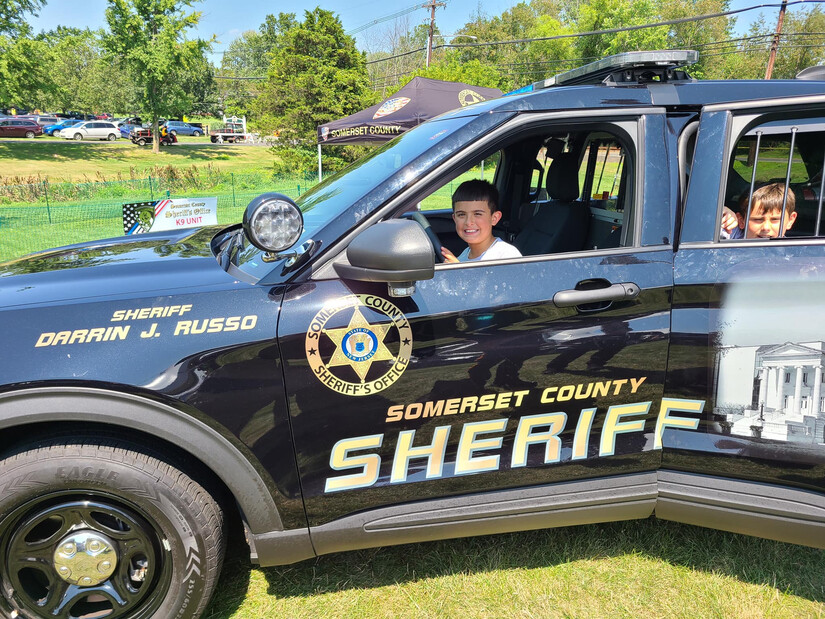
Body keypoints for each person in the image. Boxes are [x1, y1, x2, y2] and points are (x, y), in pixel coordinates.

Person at [440, 179, 522, 263]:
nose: (468, 222)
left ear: (494, 218)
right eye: (461, 215)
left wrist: (459, 269)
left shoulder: (507, 255)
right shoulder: (464, 255)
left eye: (477, 214)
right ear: (454, 219)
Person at [721, 182, 797, 239]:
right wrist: (722, 212)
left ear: (790, 220)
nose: (766, 227)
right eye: (758, 219)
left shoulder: (793, 252)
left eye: (775, 219)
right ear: (741, 221)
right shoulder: (732, 235)